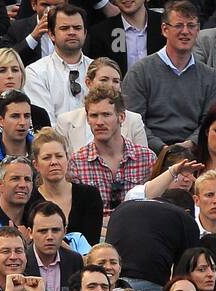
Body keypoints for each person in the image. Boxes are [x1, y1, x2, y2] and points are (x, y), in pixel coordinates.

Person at [123, 1, 216, 155]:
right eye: (178, 25)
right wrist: (162, 149)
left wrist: (189, 145)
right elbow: (133, 121)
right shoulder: (140, 72)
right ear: (164, 29)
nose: (185, 31)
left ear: (198, 30)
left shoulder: (211, 77)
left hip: (195, 154)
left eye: (191, 26)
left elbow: (208, 123)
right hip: (148, 155)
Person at [66, 86, 154, 216]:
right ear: (88, 119)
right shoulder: (77, 162)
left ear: (122, 117)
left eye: (106, 115)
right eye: (94, 116)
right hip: (95, 232)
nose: (99, 122)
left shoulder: (146, 158)